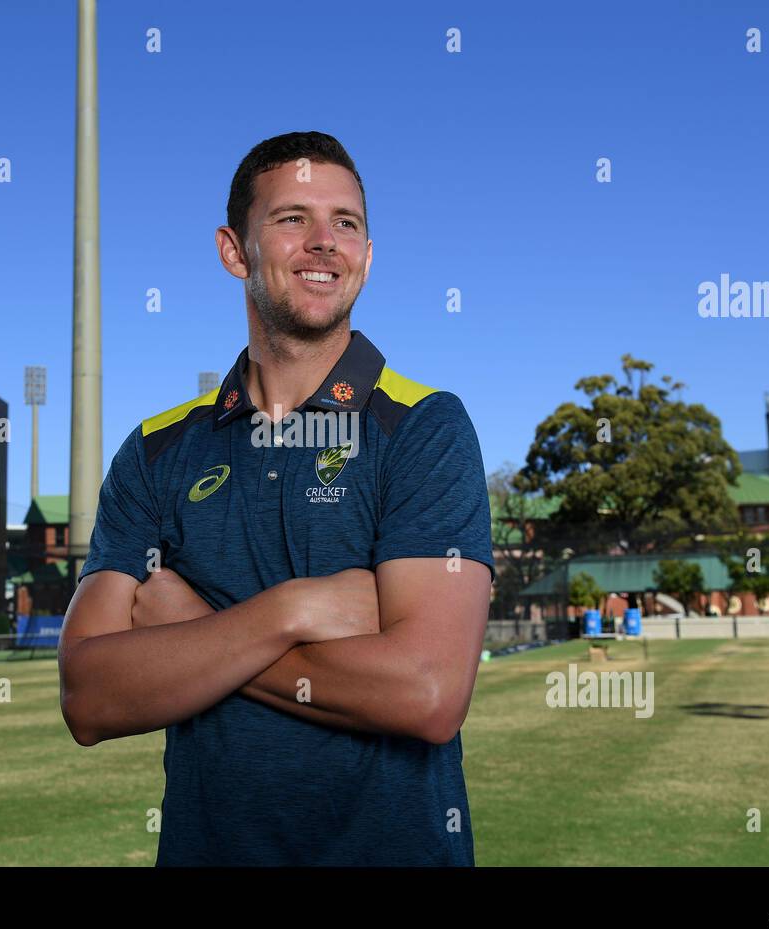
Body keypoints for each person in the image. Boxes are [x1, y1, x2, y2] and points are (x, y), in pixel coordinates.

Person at [58, 131, 495, 866]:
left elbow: (426, 694)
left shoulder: (424, 426)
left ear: (367, 253)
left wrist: (198, 629)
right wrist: (290, 611)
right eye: (293, 218)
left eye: (346, 223)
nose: (325, 242)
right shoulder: (158, 449)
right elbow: (90, 697)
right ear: (236, 251)